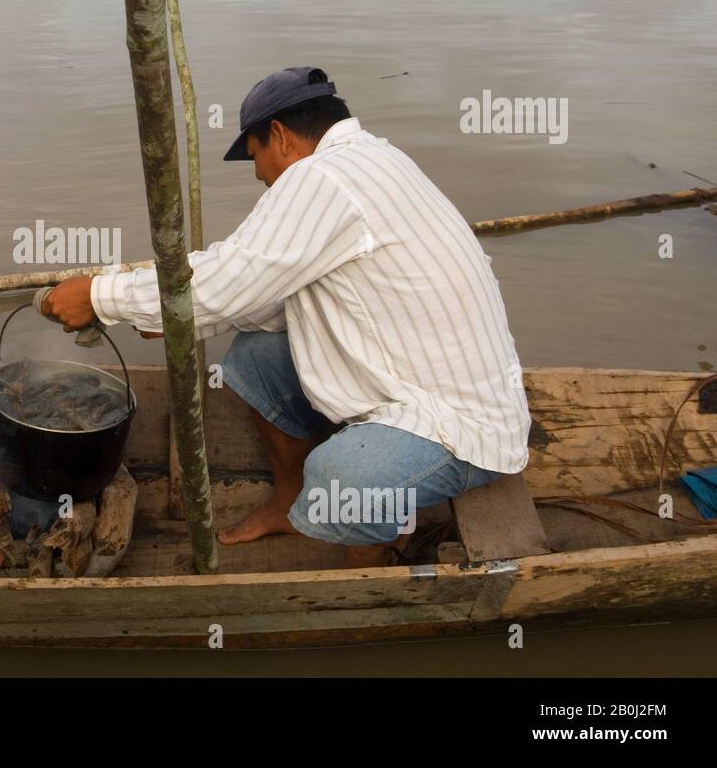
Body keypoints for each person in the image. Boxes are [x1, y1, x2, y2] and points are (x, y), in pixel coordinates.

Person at [42, 68, 531, 566]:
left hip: (460, 427)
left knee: (342, 480)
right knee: (255, 357)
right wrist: (171, 316)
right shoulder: (374, 158)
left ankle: (371, 568)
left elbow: (228, 281)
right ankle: (289, 500)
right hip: (408, 377)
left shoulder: (322, 179)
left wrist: (100, 298)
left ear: (278, 135)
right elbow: (258, 287)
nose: (258, 174)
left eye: (254, 156)